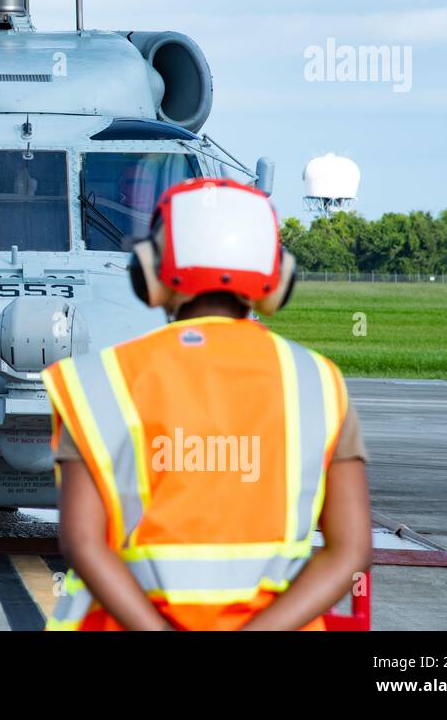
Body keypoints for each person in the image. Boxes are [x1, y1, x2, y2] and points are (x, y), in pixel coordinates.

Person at [43, 177, 371, 630]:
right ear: (276, 277)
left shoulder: (98, 381)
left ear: (151, 271)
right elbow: (350, 551)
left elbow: (83, 543)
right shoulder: (318, 382)